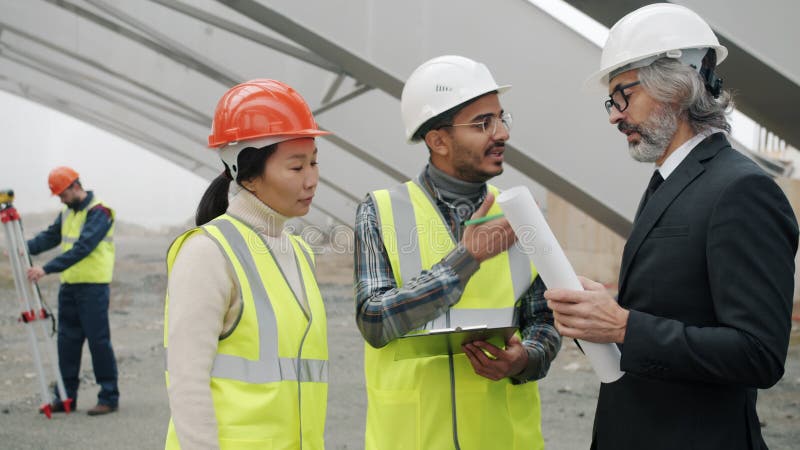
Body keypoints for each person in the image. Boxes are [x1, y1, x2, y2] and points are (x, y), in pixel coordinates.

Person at [544, 4, 799, 450]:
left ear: (675, 88)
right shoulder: (671, 181)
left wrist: (625, 327)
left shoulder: (742, 190)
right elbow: (670, 311)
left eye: (622, 95)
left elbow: (759, 353)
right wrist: (598, 319)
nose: (614, 115)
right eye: (611, 101)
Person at [354, 55, 561, 450]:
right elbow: (374, 321)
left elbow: (544, 320)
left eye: (501, 118)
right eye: (483, 123)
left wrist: (526, 359)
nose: (502, 133)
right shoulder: (380, 211)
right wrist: (464, 261)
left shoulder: (520, 214)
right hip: (413, 440)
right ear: (438, 141)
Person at [163, 79, 330, 450]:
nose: (312, 180)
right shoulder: (208, 252)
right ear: (249, 176)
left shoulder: (300, 252)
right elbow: (187, 382)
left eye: (314, 162)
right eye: (296, 167)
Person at [26, 166, 119, 416]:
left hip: (93, 288)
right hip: (69, 288)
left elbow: (83, 247)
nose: (61, 199)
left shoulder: (100, 212)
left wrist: (46, 268)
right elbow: (49, 237)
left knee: (98, 343)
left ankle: (109, 396)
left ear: (75, 187)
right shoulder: (67, 213)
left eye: (62, 194)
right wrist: (23, 247)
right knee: (67, 343)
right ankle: (66, 397)